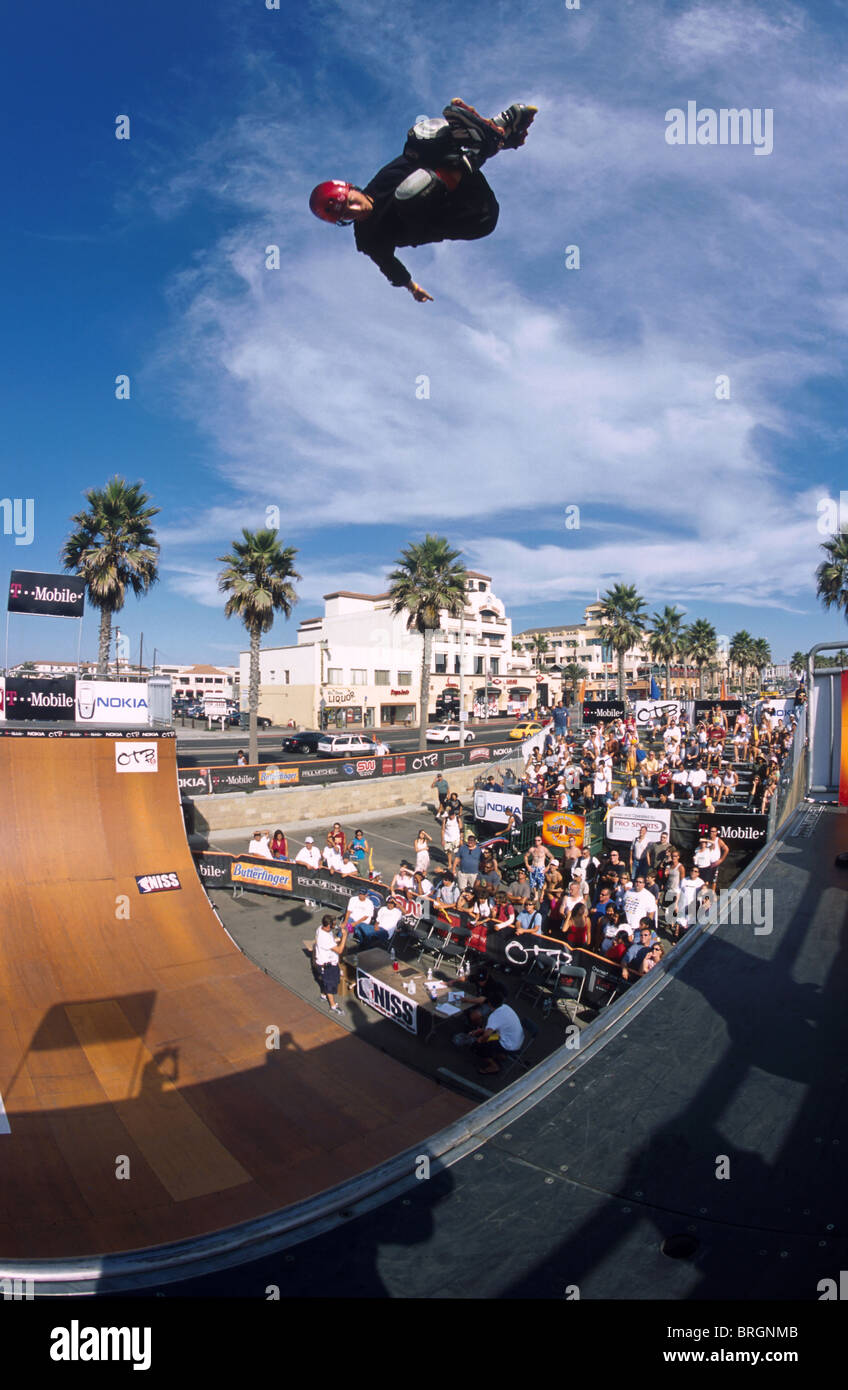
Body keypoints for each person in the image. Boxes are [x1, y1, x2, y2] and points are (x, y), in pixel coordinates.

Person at [309, 98, 538, 303]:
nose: (355, 210)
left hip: (466, 188)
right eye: (346, 214)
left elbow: (418, 153)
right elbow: (390, 267)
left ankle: (494, 134)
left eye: (350, 201)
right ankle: (489, 144)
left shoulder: (385, 179)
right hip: (476, 218)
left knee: (419, 139)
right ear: (343, 221)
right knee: (408, 195)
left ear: (352, 188)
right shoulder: (368, 238)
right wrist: (412, 288)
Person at [471, 986, 526, 1076]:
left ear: (489, 1004)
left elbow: (486, 1036)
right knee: (489, 1038)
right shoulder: (506, 1007)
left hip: (510, 1045)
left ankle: (494, 1066)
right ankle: (501, 1055)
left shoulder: (494, 1016)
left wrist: (480, 1040)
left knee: (478, 1046)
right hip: (517, 1040)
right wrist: (483, 1031)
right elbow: (498, 1028)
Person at [313, 914, 345, 1015]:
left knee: (326, 980)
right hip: (327, 965)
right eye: (333, 925)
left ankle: (323, 995)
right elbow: (339, 950)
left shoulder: (320, 928)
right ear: (328, 925)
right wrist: (344, 936)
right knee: (330, 985)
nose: (335, 927)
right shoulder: (325, 937)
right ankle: (333, 1006)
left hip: (329, 963)